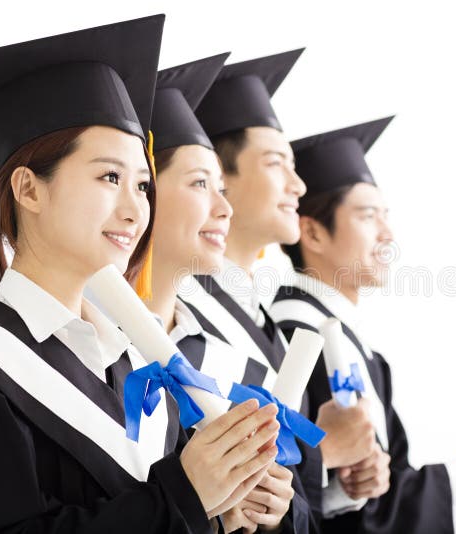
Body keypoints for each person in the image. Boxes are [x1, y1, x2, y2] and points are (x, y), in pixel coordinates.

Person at [0, 16, 280, 533]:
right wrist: (184, 497)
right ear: (28, 190)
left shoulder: (138, 365)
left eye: (142, 185)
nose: (137, 212)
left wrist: (245, 511)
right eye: (109, 176)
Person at [270, 117, 456, 533]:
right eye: (369, 216)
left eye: (386, 216)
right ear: (312, 232)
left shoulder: (341, 334)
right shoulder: (298, 335)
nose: (388, 233)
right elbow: (355, 515)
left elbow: (365, 495)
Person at [181, 50, 380, 524]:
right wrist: (322, 451)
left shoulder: (262, 316)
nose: (298, 184)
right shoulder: (180, 317)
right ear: (216, 177)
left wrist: (339, 486)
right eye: (276, 164)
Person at [145, 53, 314, 533]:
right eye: (203, 183)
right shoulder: (98, 345)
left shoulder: (234, 336)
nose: (224, 208)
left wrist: (280, 509)